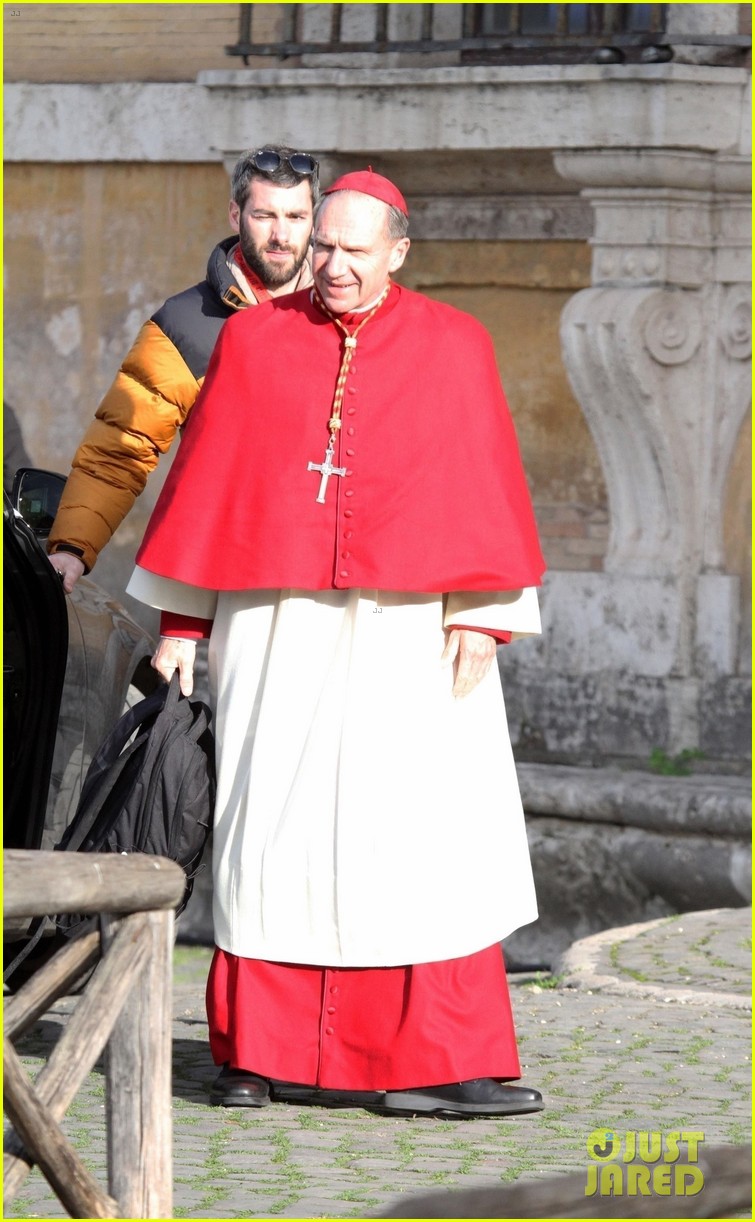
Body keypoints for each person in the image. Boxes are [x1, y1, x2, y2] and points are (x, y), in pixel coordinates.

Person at [127, 169, 547, 1118]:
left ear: (398, 253)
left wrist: (483, 611)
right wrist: (184, 624)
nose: (334, 267)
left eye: (356, 251)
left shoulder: (454, 344)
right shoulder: (257, 338)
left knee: (421, 842)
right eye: (322, 248)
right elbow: (208, 487)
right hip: (278, 632)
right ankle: (259, 1057)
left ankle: (436, 1060)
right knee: (272, 842)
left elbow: (482, 480)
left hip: (412, 639)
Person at [47, 145, 319, 592]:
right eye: (264, 215)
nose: (281, 235)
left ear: (314, 220)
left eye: (295, 217)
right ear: (236, 214)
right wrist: (72, 548)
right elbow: (122, 447)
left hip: (339, 582)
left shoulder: (345, 314)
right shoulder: (186, 324)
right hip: (233, 579)